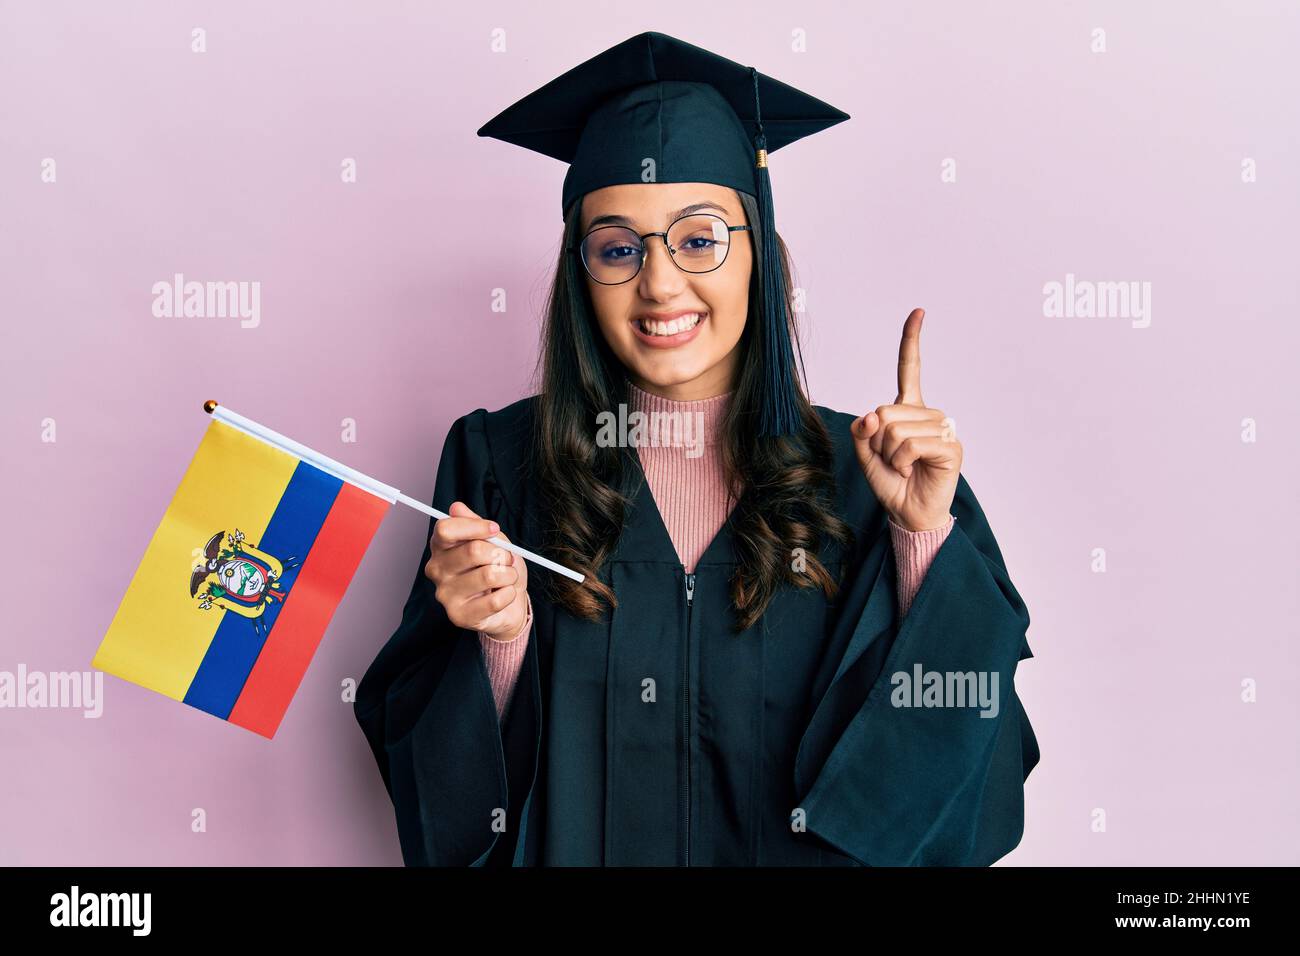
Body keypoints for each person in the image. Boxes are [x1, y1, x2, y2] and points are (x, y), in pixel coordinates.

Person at [354, 32, 1039, 866]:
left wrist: (920, 543)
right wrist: (497, 642)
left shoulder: (874, 478)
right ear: (581, 277)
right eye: (618, 248)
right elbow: (438, 794)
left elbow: (970, 771)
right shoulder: (499, 468)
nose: (660, 282)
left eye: (700, 237)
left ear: (759, 253)